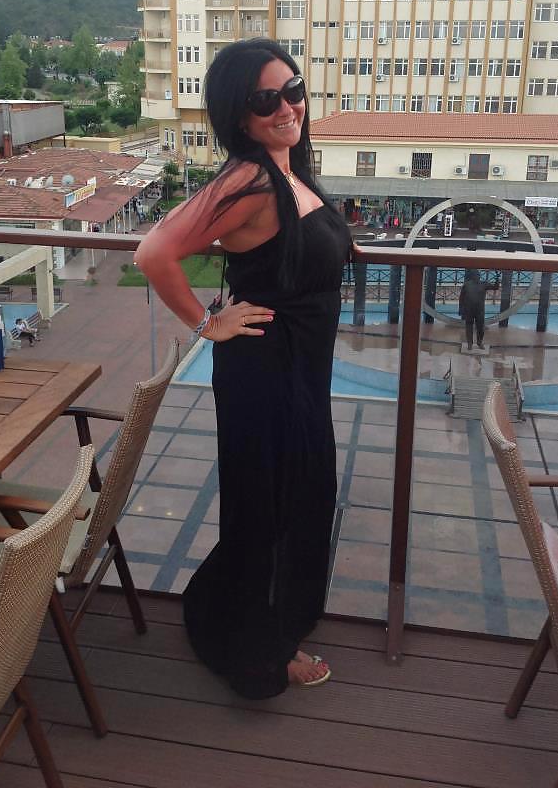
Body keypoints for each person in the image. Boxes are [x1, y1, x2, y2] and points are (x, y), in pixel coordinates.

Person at [135, 39, 352, 699]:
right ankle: (260, 651)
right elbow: (153, 253)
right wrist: (207, 323)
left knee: (295, 499)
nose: (286, 107)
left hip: (297, 373)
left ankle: (252, 614)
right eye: (265, 100)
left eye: (293, 90)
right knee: (273, 506)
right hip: (266, 374)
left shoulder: (289, 171)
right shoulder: (249, 180)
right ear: (239, 114)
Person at [458, 269, 499, 350]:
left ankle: (479, 342)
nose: (477, 276)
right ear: (472, 276)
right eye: (476, 275)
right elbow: (461, 298)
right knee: (469, 327)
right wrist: (461, 309)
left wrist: (497, 279)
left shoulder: (484, 284)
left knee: (480, 327)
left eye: (478, 275)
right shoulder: (466, 285)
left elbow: (495, 287)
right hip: (469, 310)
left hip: (479, 310)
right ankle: (470, 343)